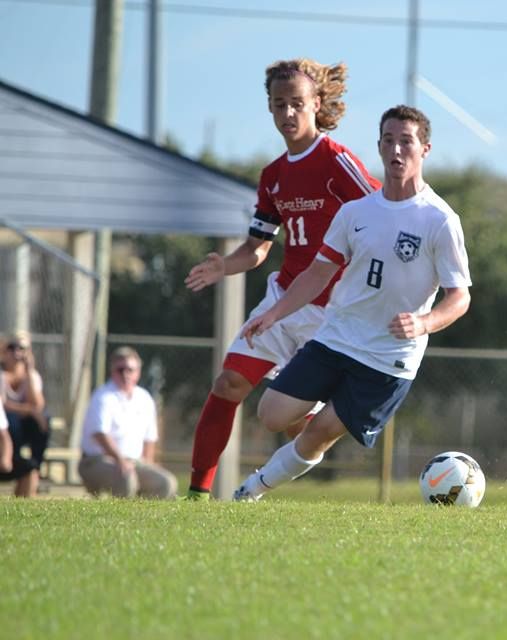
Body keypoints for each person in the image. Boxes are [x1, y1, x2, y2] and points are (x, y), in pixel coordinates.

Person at [232, 105, 471, 501]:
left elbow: (459, 297)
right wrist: (273, 314)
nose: (396, 150)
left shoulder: (440, 220)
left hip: (388, 357)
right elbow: (317, 273)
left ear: (425, 149)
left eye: (406, 141)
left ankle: (251, 490)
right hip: (337, 337)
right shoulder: (355, 212)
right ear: (379, 146)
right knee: (271, 415)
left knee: (317, 436)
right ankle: (318, 408)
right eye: (389, 140)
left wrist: (425, 322)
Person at [182, 59, 381, 500]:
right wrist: (224, 266)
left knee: (289, 421)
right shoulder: (273, 176)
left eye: (296, 104)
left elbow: (382, 213)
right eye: (278, 105)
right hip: (285, 298)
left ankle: (307, 434)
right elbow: (258, 247)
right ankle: (196, 496)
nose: (288, 114)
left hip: (333, 313)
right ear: (269, 109)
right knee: (228, 384)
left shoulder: (337, 161)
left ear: (316, 105)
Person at [78, 346, 178, 499]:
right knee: (126, 479)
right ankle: (119, 521)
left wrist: (148, 465)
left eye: (130, 369)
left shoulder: (144, 398)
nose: (125, 374)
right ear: (112, 371)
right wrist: (120, 460)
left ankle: (147, 521)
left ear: (137, 372)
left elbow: (149, 439)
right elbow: (100, 434)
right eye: (120, 369)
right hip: (97, 461)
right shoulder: (103, 396)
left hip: (134, 462)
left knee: (166, 482)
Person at [1, 331, 49, 497]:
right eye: (11, 347)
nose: (16, 352)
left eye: (22, 348)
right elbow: (2, 405)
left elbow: (38, 405)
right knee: (12, 420)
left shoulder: (32, 376)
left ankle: (37, 465)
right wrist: (29, 411)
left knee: (44, 420)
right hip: (7, 428)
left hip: (20, 428)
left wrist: (28, 371)